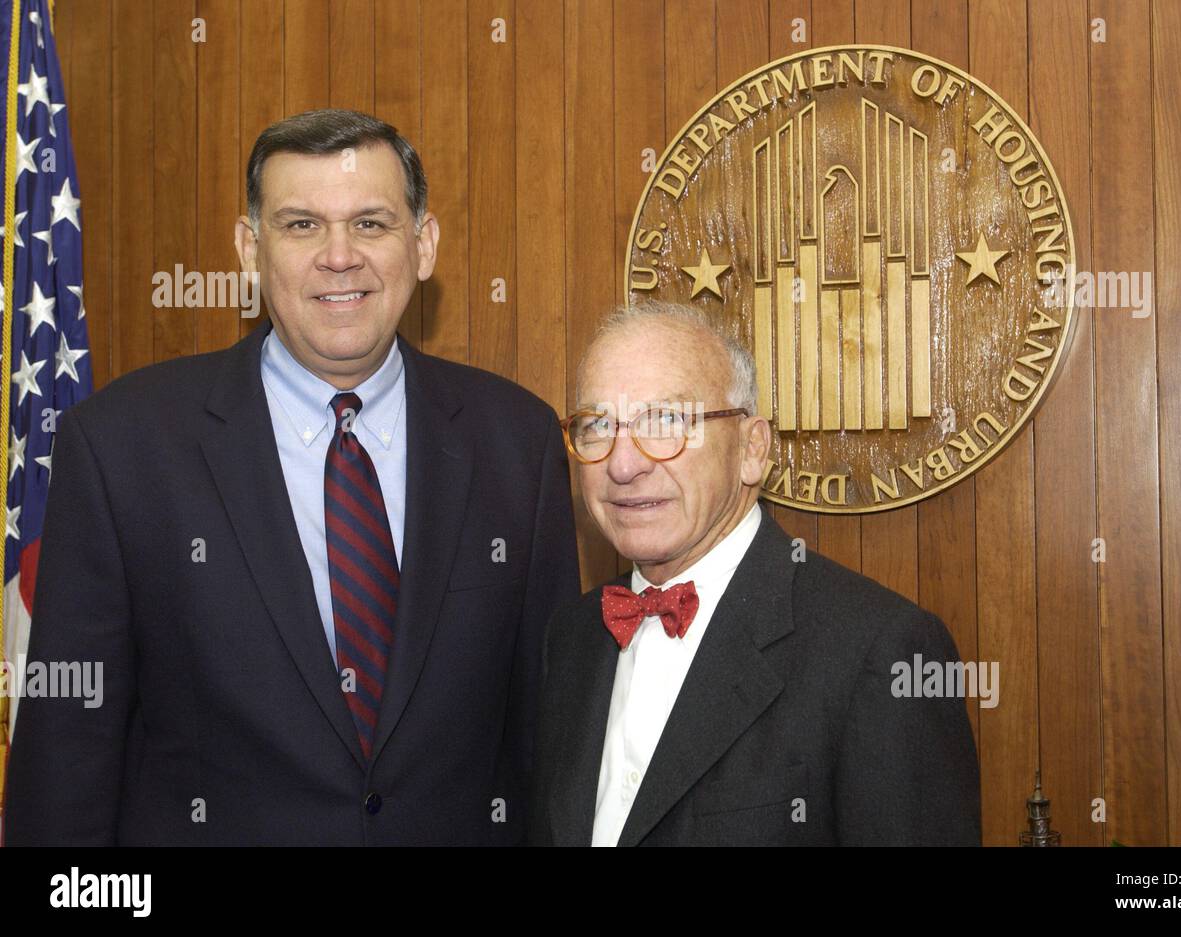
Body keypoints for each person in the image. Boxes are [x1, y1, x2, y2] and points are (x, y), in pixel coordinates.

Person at [4, 108, 579, 845]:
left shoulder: (518, 444)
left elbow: (549, 751)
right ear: (250, 249)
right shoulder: (123, 448)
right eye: (302, 224)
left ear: (424, 244)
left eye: (371, 223)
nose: (340, 256)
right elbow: (66, 769)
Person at [528, 300, 980, 846]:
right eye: (599, 426)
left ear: (751, 449)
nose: (624, 465)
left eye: (667, 421)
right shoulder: (571, 638)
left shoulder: (881, 652)